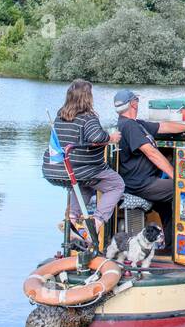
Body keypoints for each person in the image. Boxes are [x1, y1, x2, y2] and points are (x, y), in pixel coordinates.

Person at [113, 90, 185, 243]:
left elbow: (164, 126)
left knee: (166, 206)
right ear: (134, 103)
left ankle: (171, 244)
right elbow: (151, 153)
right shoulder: (129, 126)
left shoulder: (137, 124)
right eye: (137, 101)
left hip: (145, 181)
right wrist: (176, 176)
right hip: (140, 184)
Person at [42, 79, 124, 236]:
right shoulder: (87, 117)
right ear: (88, 97)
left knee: (84, 185)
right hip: (79, 170)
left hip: (54, 169)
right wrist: (111, 137)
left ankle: (71, 219)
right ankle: (96, 221)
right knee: (117, 184)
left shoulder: (60, 116)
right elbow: (96, 136)